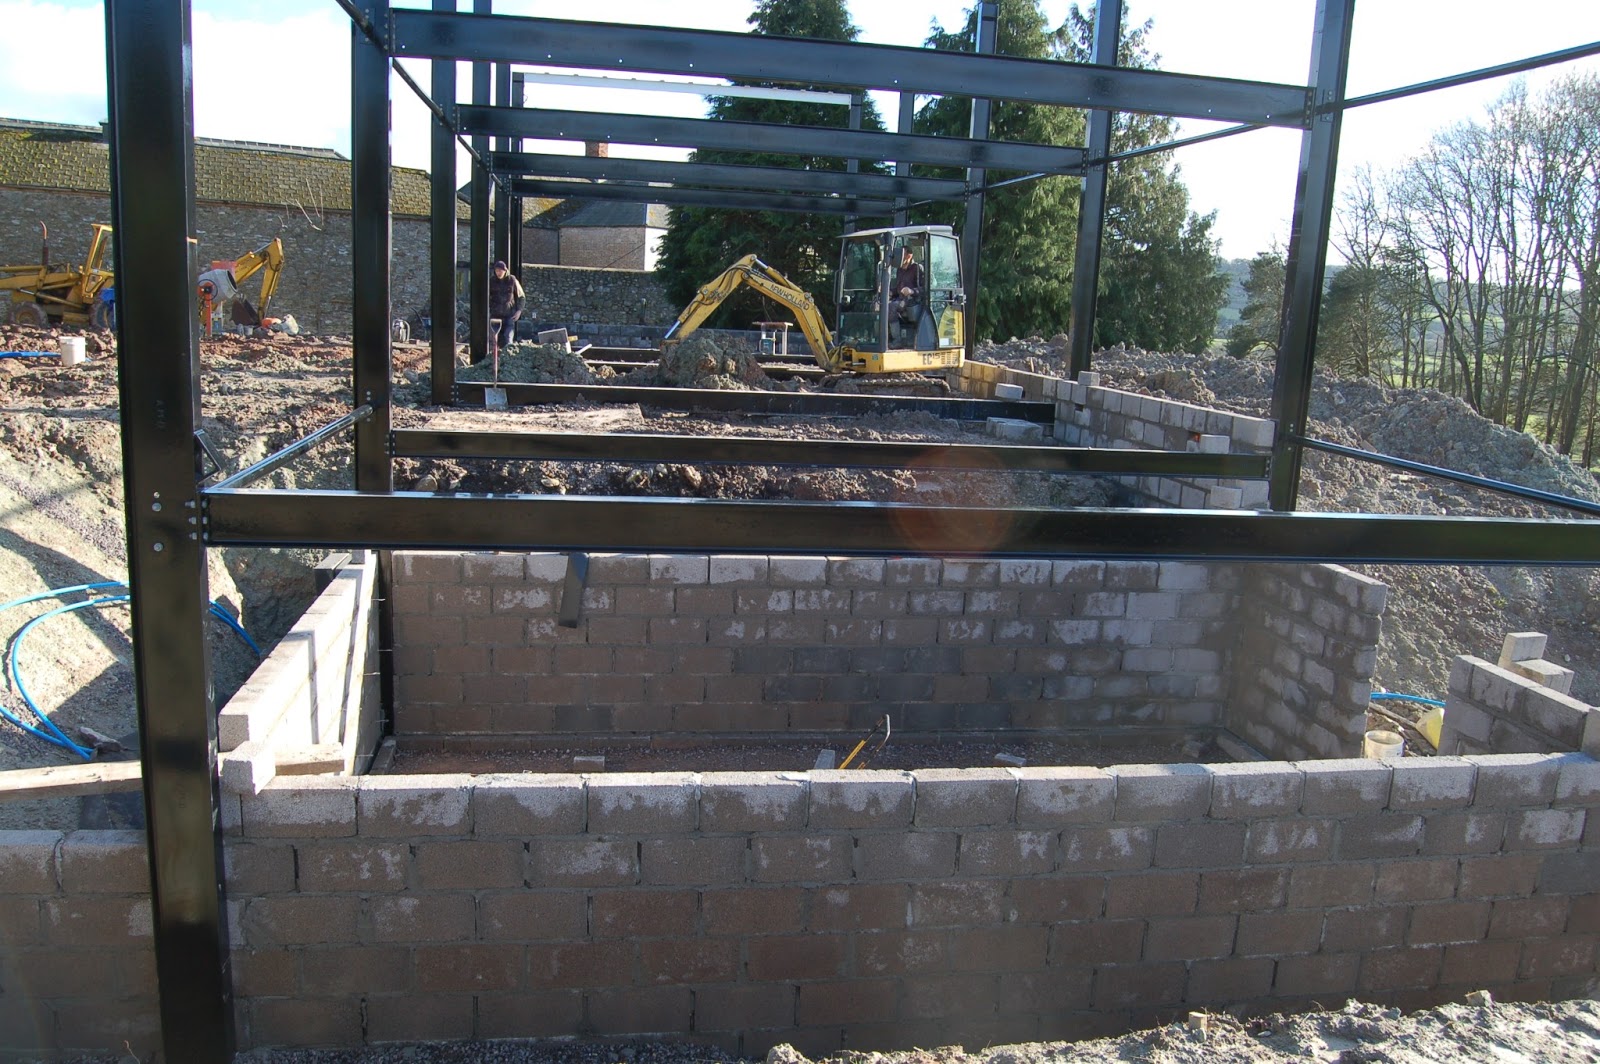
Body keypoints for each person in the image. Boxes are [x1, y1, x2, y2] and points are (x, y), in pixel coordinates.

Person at [488, 259, 525, 354]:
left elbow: (521, 296)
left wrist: (519, 311)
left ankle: (508, 359)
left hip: (509, 315)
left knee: (508, 339)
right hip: (495, 315)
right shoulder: (491, 281)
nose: (498, 273)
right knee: (494, 341)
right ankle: (493, 360)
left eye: (500, 271)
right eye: (496, 271)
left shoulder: (512, 280)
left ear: (505, 271)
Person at [889, 246, 924, 343]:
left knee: (891, 307)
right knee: (879, 304)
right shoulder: (899, 270)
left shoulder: (917, 268)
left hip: (911, 300)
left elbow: (925, 288)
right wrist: (889, 292)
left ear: (909, 256)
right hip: (900, 299)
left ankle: (897, 340)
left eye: (901, 255)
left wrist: (912, 291)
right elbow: (898, 289)